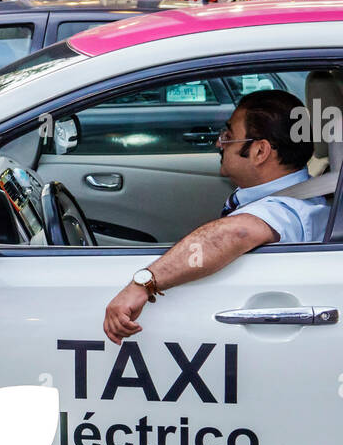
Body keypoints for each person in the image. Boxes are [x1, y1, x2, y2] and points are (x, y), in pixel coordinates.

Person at [103, 90, 327, 344]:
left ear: (260, 151)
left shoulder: (285, 209)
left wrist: (143, 284)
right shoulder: (296, 195)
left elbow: (235, 233)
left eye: (228, 137)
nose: (219, 144)